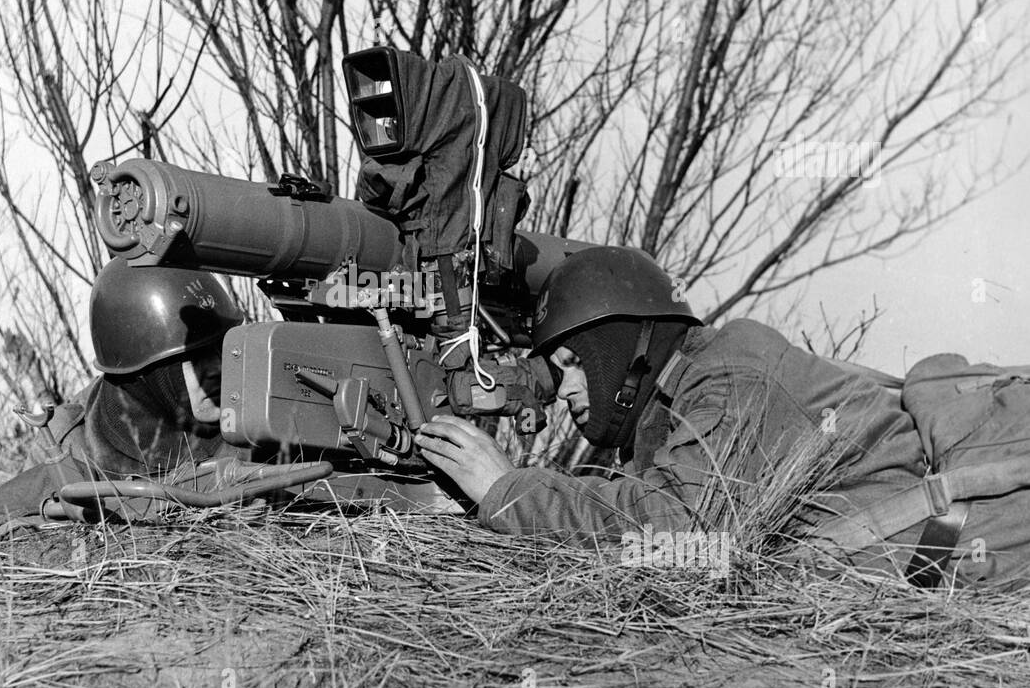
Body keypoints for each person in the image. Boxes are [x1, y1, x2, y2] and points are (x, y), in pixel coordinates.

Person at [414, 246, 1025, 589]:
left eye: (575, 363)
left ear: (626, 350)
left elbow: (680, 537)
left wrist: (506, 490)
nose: (567, 391)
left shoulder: (730, 371)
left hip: (968, 552)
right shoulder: (684, 401)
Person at [0, 258, 246, 542]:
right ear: (148, 372)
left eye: (225, 348)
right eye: (196, 357)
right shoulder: (69, 446)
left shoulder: (260, 421)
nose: (219, 369)